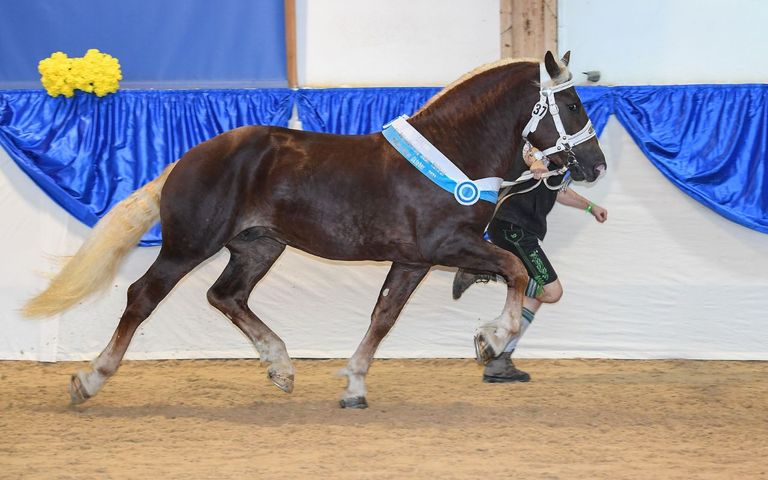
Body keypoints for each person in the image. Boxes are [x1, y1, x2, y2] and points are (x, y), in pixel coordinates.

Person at [453, 142, 607, 383]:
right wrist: (535, 161)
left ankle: (500, 361)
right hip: (513, 227)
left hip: (519, 231)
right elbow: (530, 152)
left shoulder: (559, 160)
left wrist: (590, 207)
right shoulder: (541, 142)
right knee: (552, 291)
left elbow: (560, 191)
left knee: (534, 298)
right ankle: (483, 268)